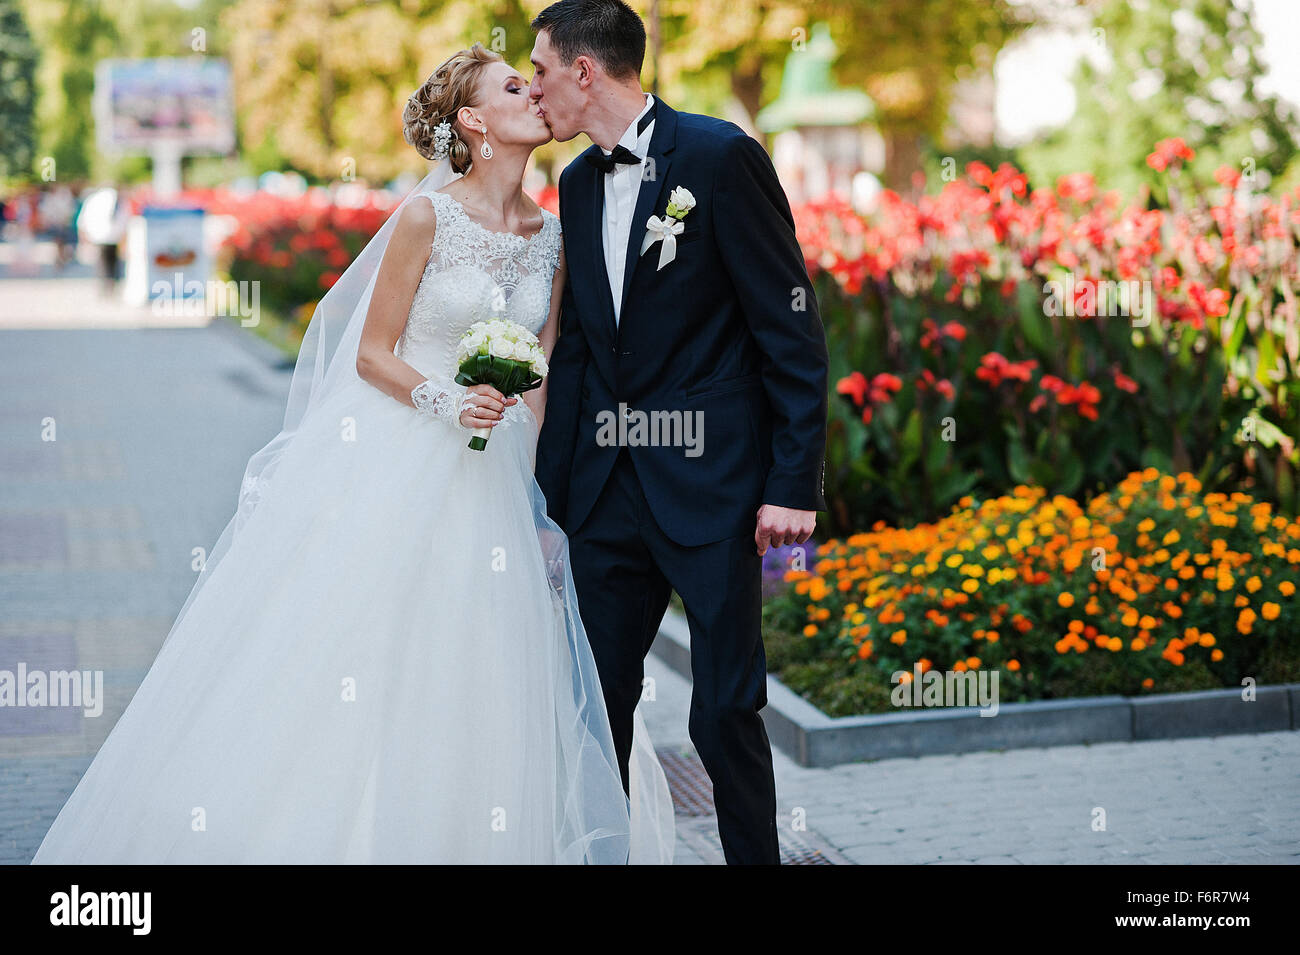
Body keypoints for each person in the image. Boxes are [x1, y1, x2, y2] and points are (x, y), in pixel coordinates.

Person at [32, 44, 674, 865]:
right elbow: (372, 353)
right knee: (378, 662)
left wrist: (542, 504)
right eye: (515, 85)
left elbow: (542, 374)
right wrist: (448, 401)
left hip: (500, 482)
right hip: (408, 459)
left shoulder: (550, 234)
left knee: (491, 674)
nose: (536, 91)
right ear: (473, 121)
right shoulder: (425, 218)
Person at [529, 0, 829, 865]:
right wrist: (559, 500)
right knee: (596, 704)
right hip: (608, 497)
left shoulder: (722, 157)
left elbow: (791, 329)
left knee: (725, 707)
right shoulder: (577, 181)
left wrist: (790, 483)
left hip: (716, 489)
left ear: (586, 71)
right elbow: (582, 349)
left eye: (542, 70)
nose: (535, 88)